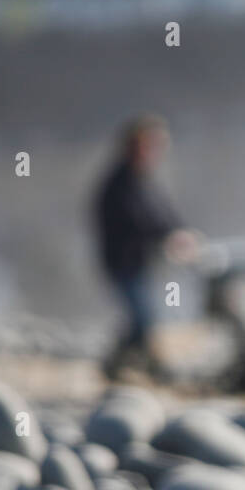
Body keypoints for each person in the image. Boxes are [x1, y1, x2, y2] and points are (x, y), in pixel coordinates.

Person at [92, 114, 201, 374]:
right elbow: (139, 219)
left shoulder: (142, 181)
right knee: (144, 318)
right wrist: (169, 238)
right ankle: (122, 367)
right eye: (152, 144)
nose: (156, 152)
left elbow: (163, 215)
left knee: (146, 317)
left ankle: (134, 366)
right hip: (123, 262)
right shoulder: (120, 183)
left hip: (137, 262)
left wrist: (180, 233)